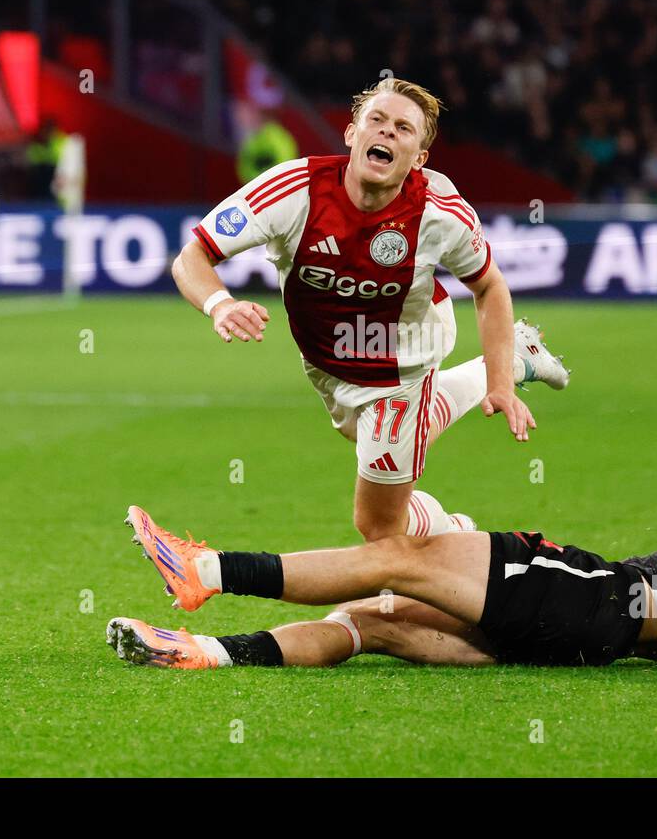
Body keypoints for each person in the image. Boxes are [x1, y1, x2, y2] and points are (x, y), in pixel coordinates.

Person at [107, 446, 657, 681]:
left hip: (592, 597)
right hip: (589, 640)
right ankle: (203, 652)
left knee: (400, 557)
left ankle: (205, 571)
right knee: (377, 624)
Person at [170, 77, 569, 542]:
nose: (386, 132)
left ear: (419, 158)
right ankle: (518, 355)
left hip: (405, 360)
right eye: (376, 120)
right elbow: (191, 257)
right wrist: (219, 304)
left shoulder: (440, 215)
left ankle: (460, 537)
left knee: (378, 526)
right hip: (327, 360)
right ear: (351, 134)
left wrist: (501, 388)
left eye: (403, 128)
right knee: (371, 460)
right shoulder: (292, 190)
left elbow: (490, 287)